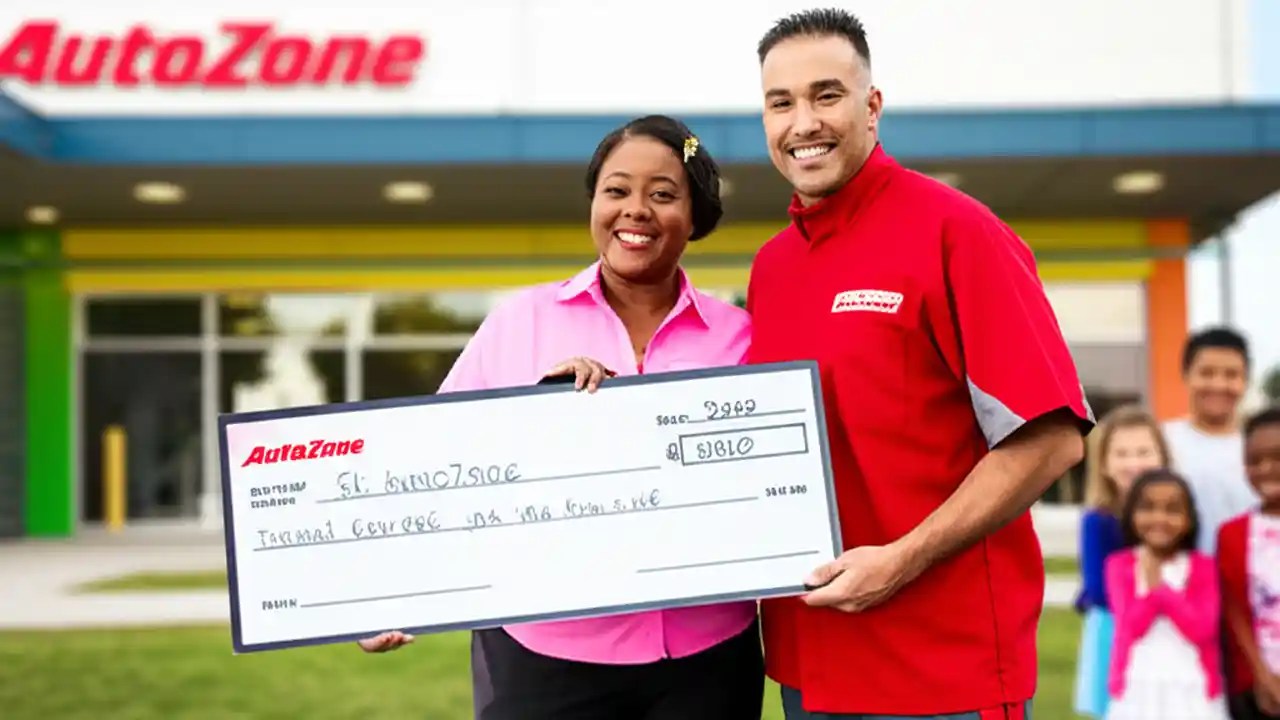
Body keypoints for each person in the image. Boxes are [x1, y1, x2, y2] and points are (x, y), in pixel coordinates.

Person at [745, 7, 1094, 718]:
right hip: (811, 665)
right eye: (781, 103)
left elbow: (1050, 437)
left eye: (826, 95)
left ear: (872, 107)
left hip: (944, 669)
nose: (802, 121)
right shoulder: (772, 269)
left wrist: (900, 559)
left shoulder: (957, 232)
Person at [355, 114, 764, 720]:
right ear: (594, 203)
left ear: (696, 213)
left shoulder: (743, 337)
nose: (636, 210)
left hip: (708, 657)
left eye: (662, 194)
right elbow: (431, 464)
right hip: (547, 657)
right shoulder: (520, 322)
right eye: (617, 190)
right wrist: (388, 592)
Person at [1105, 469, 1228, 720]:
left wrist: (1159, 588)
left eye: (1172, 510)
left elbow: (1202, 629)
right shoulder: (1120, 565)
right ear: (1131, 514)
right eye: (1148, 508)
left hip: (1192, 685)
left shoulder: (1202, 567)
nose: (1159, 518)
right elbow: (1130, 625)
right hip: (1139, 684)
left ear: (1189, 519)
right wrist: (1151, 590)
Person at [1074, 406, 1171, 718]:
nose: (1134, 462)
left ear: (1162, 457)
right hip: (1114, 631)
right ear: (1104, 464)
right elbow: (1099, 590)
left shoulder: (1173, 515)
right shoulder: (1099, 520)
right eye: (1122, 454)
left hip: (1166, 627)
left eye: (1143, 451)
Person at [1164, 327, 1259, 554]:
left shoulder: (1262, 450)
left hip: (1252, 583)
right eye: (1206, 373)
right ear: (1186, 374)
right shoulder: (1163, 442)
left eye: (1231, 375)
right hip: (1180, 583)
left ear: (1245, 380)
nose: (1218, 384)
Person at [1217, 406, 1280, 720]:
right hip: (1253, 686)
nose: (1266, 468)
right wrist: (1264, 678)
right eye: (1255, 460)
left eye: (1277, 457)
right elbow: (1234, 611)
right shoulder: (1231, 534)